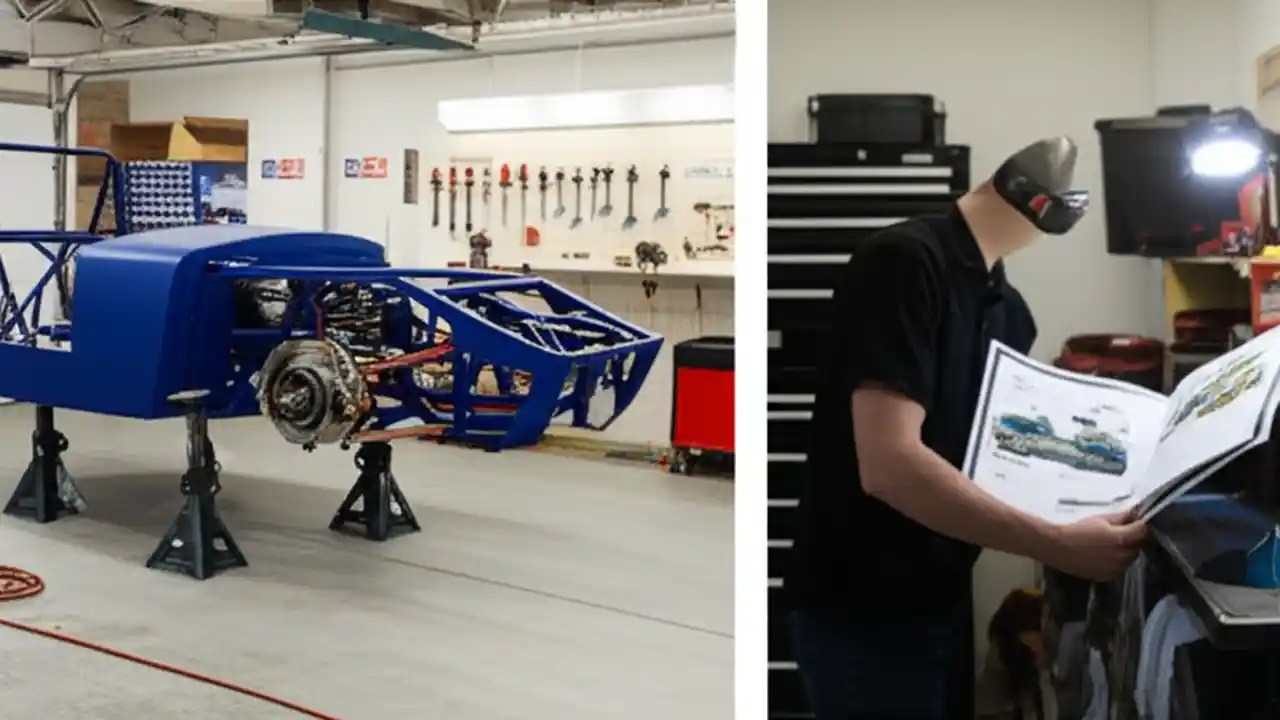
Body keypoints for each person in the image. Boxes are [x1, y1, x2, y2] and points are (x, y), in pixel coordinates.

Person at [787, 136, 1147, 720]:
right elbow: (889, 466)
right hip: (862, 609)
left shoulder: (1007, 311)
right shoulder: (903, 263)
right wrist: (1056, 543)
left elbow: (1001, 455)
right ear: (1044, 210)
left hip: (941, 594)